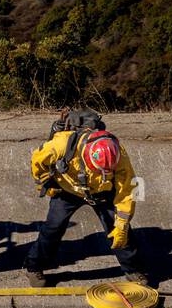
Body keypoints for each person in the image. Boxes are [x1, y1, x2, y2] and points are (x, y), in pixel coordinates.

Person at [25, 115, 148, 287]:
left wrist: (123, 223)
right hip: (68, 190)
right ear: (86, 156)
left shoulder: (118, 152)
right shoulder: (61, 145)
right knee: (53, 228)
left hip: (102, 192)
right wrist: (44, 182)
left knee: (121, 231)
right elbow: (37, 159)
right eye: (98, 171)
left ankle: (133, 269)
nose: (103, 174)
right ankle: (34, 267)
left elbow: (128, 189)